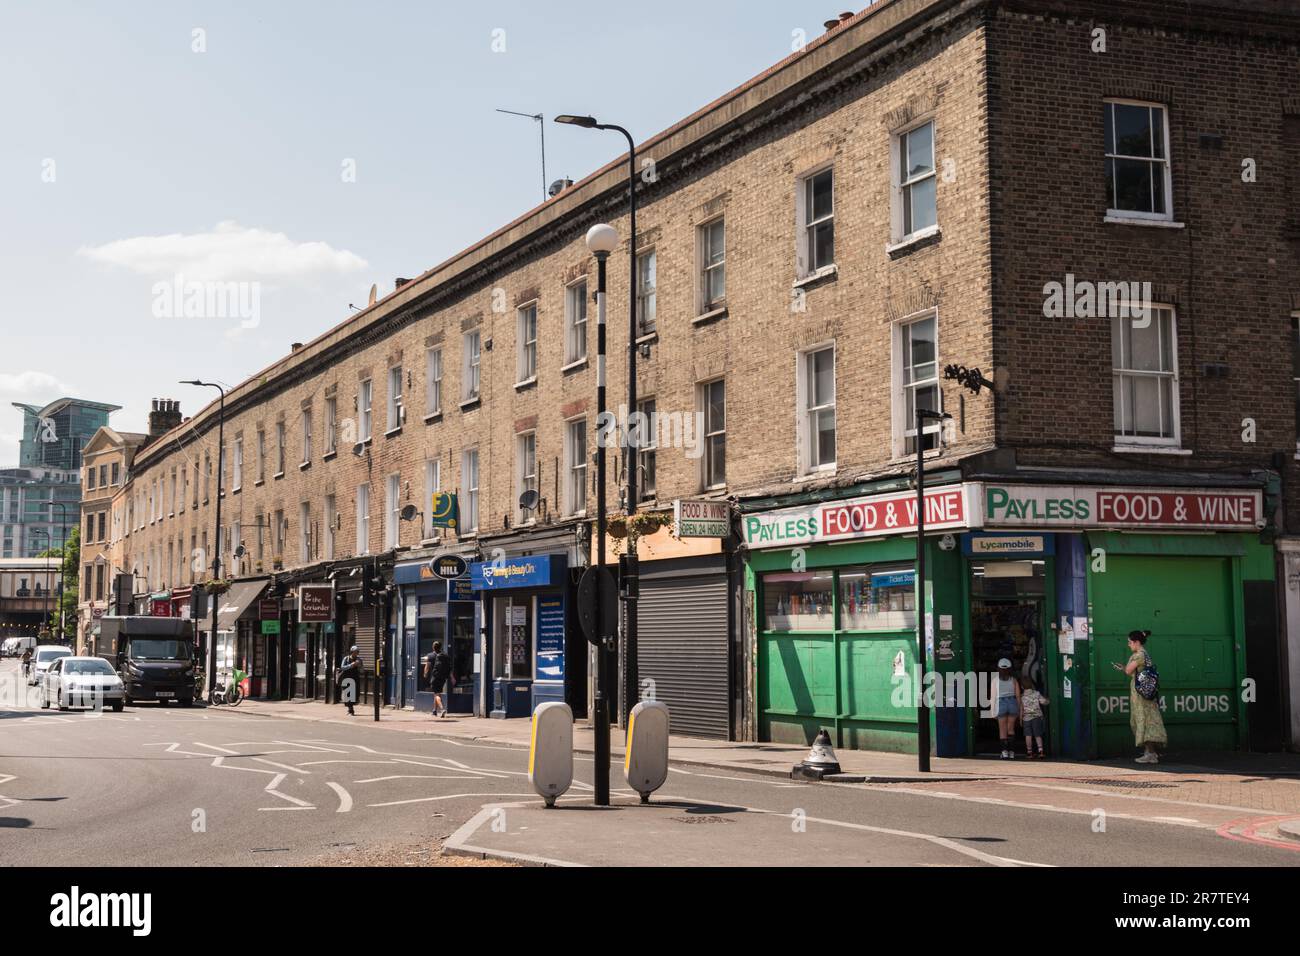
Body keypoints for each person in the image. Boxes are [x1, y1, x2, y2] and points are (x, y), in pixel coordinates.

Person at [1115, 629, 1166, 764]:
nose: (1129, 645)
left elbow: (1129, 670)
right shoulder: (1144, 655)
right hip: (1145, 693)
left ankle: (1150, 753)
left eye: (1130, 642)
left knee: (1143, 721)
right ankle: (1151, 753)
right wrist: (1124, 668)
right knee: (1146, 721)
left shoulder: (1140, 655)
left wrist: (1123, 668)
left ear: (1137, 642)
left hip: (1141, 695)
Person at [995, 657, 1021, 759]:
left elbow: (993, 697)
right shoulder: (1014, 680)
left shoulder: (995, 681)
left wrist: (992, 710)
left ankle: (1004, 752)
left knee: (1002, 730)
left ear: (998, 668)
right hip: (1012, 703)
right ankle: (1012, 752)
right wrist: (1019, 709)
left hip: (1000, 703)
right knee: (1011, 729)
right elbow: (1018, 696)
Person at [1019, 675, 1049, 759]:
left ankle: (1029, 752)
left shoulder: (1022, 696)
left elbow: (1021, 708)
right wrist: (1048, 700)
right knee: (1037, 735)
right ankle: (1041, 751)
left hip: (1026, 718)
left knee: (1028, 735)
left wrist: (1020, 719)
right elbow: (1044, 702)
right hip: (1037, 717)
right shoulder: (1037, 693)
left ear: (1021, 686)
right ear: (1031, 684)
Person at [423, 641, 452, 718]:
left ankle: (442, 709)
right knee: (436, 693)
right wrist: (452, 677)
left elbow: (427, 666)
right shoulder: (444, 655)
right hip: (442, 677)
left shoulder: (430, 655)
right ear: (440, 647)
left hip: (434, 677)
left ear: (433, 647)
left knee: (436, 694)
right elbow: (449, 668)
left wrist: (425, 673)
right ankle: (434, 710)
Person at [338, 645, 362, 716]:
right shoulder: (346, 659)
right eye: (355, 652)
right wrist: (351, 665)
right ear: (352, 652)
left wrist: (359, 665)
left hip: (355, 678)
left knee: (355, 694)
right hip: (347, 678)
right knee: (348, 694)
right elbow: (342, 667)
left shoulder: (359, 660)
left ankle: (351, 708)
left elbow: (362, 670)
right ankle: (350, 710)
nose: (357, 654)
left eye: (357, 652)